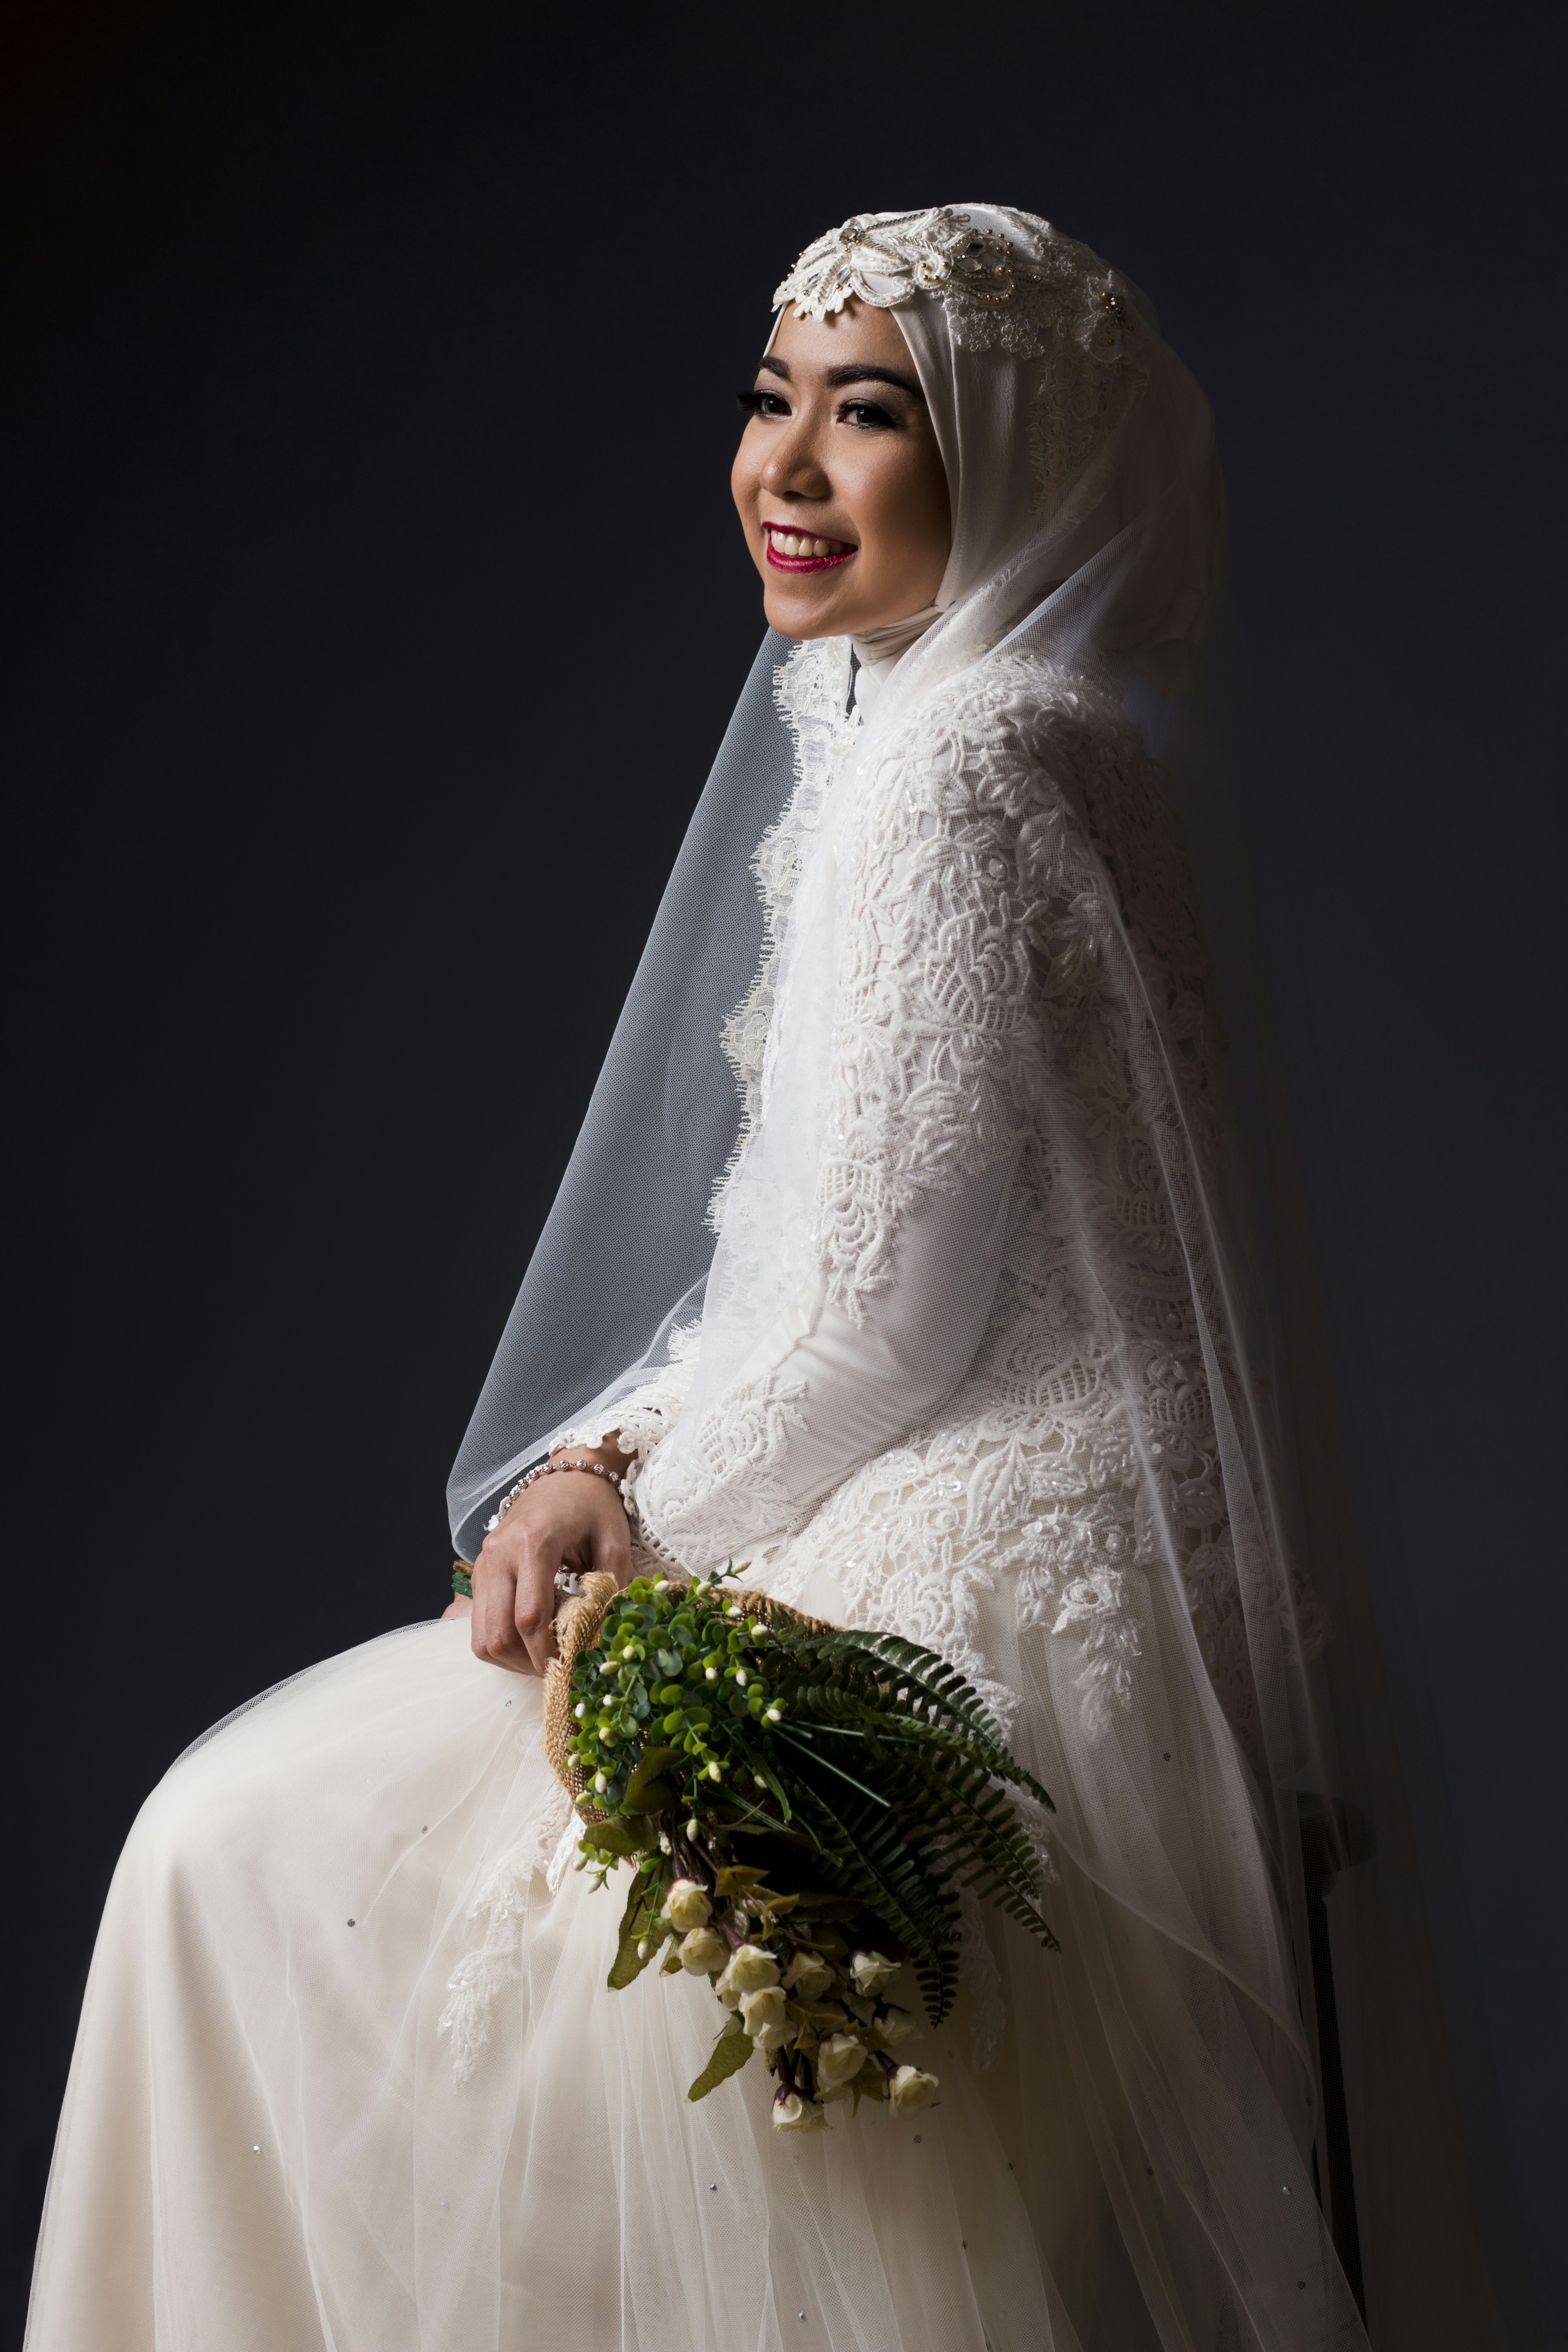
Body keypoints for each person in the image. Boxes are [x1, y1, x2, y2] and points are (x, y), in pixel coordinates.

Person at [27, 205, 1369, 2351]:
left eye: (872, 414)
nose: (788, 468)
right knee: (264, 1865)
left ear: (1015, 450)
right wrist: (611, 1460)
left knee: (231, 1861)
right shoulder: (1009, 715)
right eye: (770, 402)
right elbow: (830, 1277)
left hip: (1002, 1578)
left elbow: (881, 1329)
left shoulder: (960, 760)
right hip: (1065, 1534)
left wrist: (619, 1524)